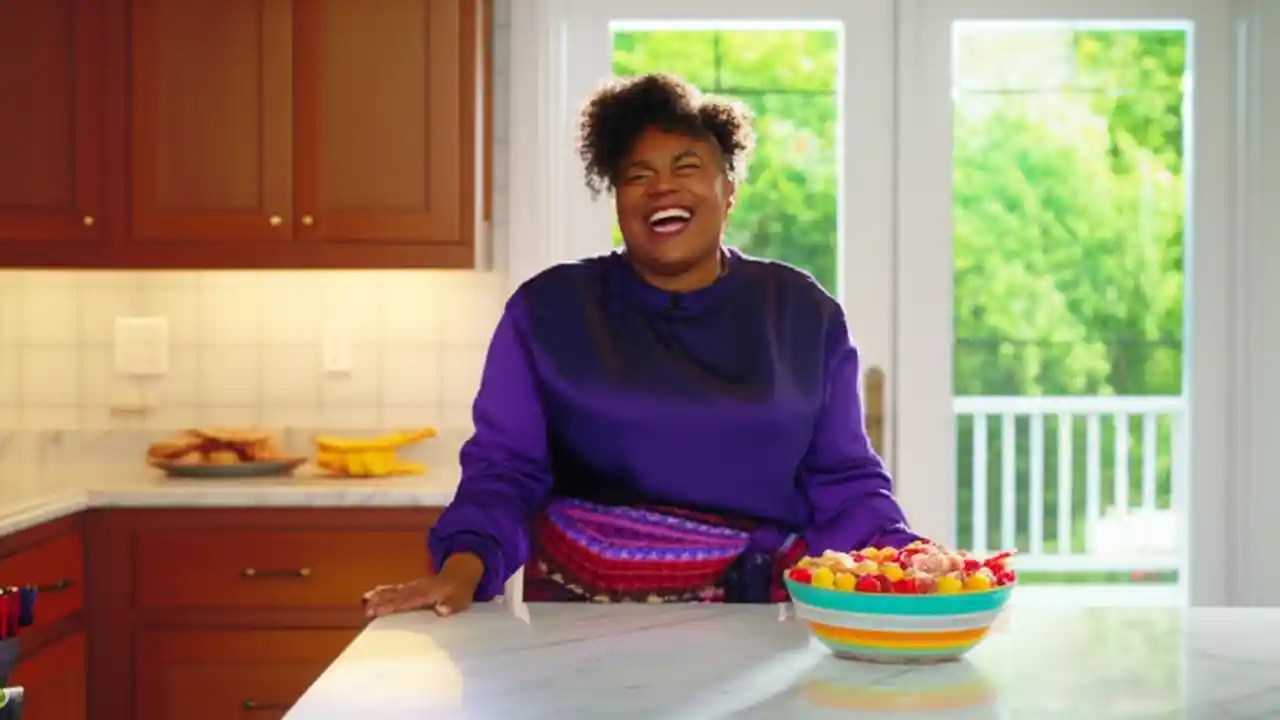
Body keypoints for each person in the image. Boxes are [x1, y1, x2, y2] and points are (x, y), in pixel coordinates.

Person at [363, 72, 918, 619]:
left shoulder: (803, 313)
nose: (662, 187)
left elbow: (843, 481)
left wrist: (909, 563)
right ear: (618, 200)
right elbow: (505, 470)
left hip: (755, 625)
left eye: (687, 167)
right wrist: (463, 567)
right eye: (637, 175)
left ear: (729, 192)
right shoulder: (549, 310)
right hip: (579, 626)